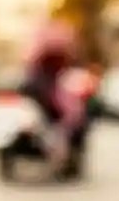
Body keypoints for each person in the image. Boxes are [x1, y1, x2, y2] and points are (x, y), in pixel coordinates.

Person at [22, 20, 87, 173]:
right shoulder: (42, 78)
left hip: (54, 115)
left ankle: (61, 156)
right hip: (45, 112)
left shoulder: (60, 80)